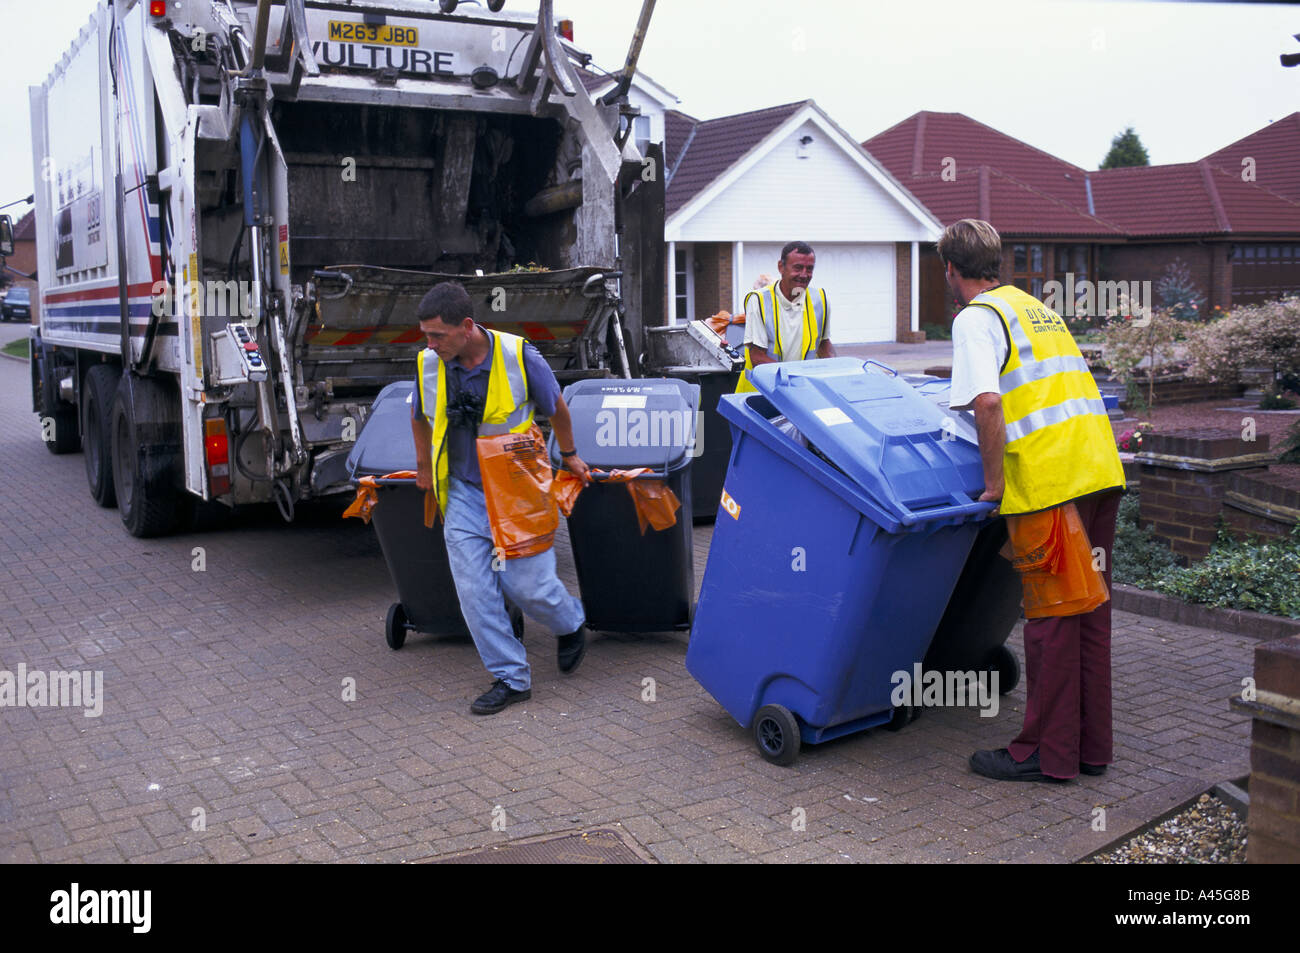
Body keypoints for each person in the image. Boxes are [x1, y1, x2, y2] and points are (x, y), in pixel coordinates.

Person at [940, 219, 1125, 783]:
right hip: (1097, 471)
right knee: (1089, 613)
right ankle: (1090, 749)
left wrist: (994, 486)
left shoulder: (977, 318)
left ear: (950, 269)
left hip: (1048, 488)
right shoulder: (1034, 308)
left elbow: (988, 405)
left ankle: (1046, 752)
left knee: (1050, 621)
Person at [410, 281, 589, 716]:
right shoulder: (429, 363)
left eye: (438, 335)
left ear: (467, 326)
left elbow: (557, 410)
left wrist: (569, 456)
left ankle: (570, 622)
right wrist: (422, 467)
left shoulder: (518, 357)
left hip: (517, 491)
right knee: (474, 590)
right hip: (464, 493)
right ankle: (511, 676)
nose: (430, 345)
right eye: (426, 335)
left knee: (527, 587)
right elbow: (418, 415)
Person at [734, 241, 835, 393]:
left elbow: (824, 345)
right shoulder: (759, 300)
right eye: (798, 268)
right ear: (781, 267)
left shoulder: (819, 298)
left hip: (800, 392)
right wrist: (796, 378)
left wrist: (837, 373)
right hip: (760, 394)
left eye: (810, 269)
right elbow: (757, 357)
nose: (804, 275)